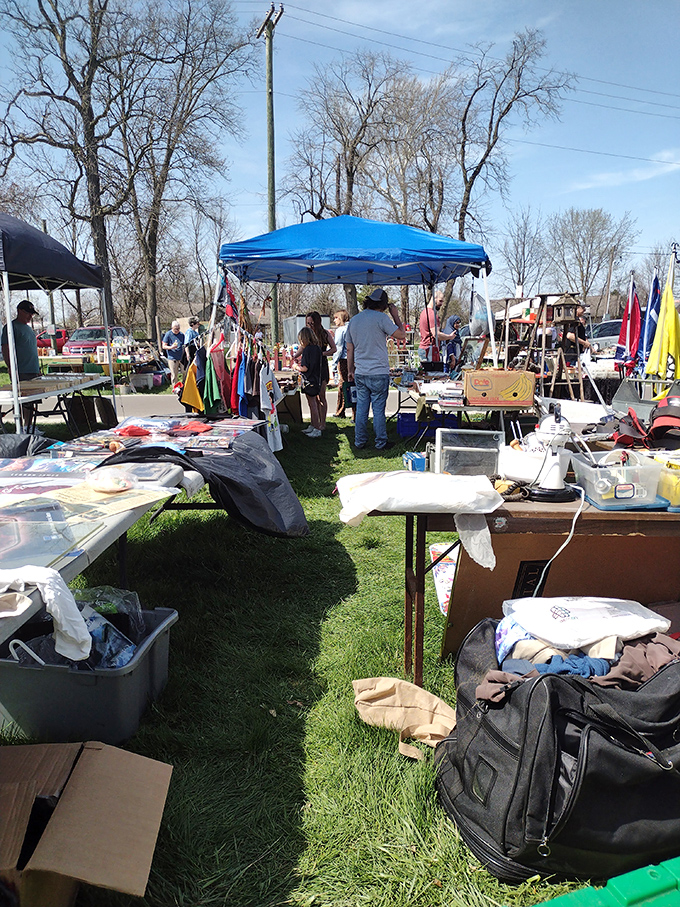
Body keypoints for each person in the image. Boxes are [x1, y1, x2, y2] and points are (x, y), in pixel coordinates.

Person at [346, 287, 406, 451]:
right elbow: (401, 335)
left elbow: (349, 349)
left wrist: (350, 370)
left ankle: (359, 441)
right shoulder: (381, 318)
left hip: (361, 371)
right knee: (378, 409)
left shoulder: (355, 320)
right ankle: (381, 442)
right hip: (378, 371)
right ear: (384, 304)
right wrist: (395, 316)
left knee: (361, 409)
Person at [304, 310, 336, 431]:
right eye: (308, 323)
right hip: (311, 368)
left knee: (321, 395)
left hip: (321, 367)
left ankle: (323, 423)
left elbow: (334, 349)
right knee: (312, 397)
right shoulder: (307, 334)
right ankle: (314, 423)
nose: (310, 326)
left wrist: (322, 354)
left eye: (312, 323)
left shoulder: (324, 334)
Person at [294, 326, 323, 438]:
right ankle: (313, 425)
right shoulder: (317, 348)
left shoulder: (307, 350)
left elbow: (305, 368)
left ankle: (316, 428)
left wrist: (296, 366)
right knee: (313, 403)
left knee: (312, 405)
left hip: (309, 380)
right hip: (316, 379)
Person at [1, 299, 41, 381]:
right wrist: (11, 367)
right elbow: (5, 348)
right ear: (19, 311)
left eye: (32, 314)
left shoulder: (29, 328)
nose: (30, 316)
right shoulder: (11, 327)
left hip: (34, 371)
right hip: (21, 371)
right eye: (28, 313)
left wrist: (37, 369)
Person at [418, 290, 455, 362]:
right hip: (429, 349)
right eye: (440, 301)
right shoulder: (432, 314)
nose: (441, 304)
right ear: (434, 298)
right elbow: (436, 334)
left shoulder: (424, 312)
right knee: (433, 372)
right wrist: (449, 337)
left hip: (424, 348)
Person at [331, 309, 354, 419]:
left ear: (340, 318)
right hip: (355, 360)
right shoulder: (353, 328)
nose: (334, 320)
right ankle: (350, 413)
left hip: (344, 360)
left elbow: (338, 348)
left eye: (336, 318)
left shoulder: (341, 330)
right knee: (352, 386)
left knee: (344, 386)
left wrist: (334, 364)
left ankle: (341, 411)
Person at [162, 320, 185, 384]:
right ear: (172, 328)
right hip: (172, 357)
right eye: (175, 329)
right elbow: (164, 346)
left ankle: (184, 387)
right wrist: (171, 347)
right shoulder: (168, 334)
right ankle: (175, 388)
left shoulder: (181, 335)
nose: (177, 330)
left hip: (181, 357)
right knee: (174, 374)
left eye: (178, 329)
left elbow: (185, 345)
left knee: (184, 372)